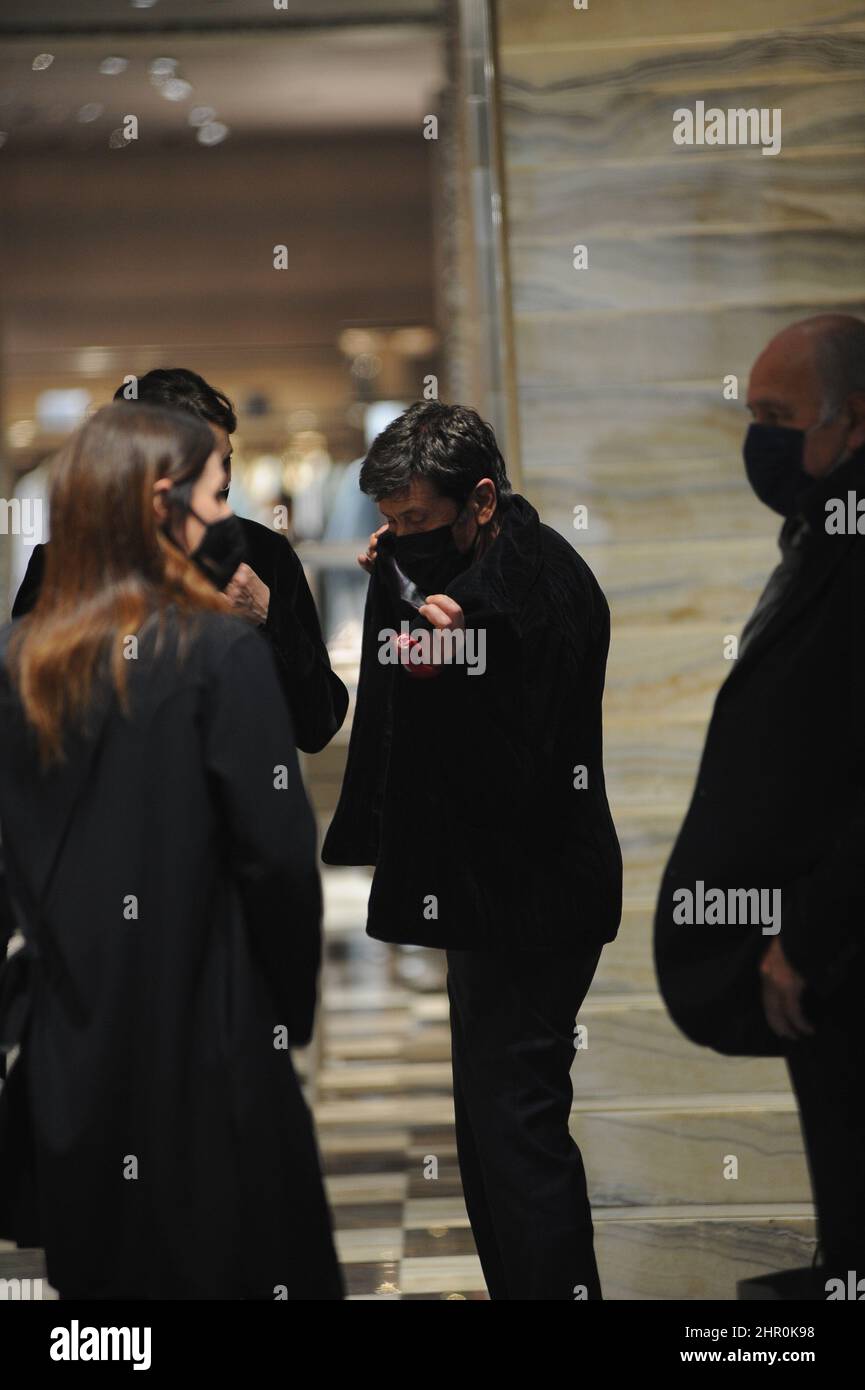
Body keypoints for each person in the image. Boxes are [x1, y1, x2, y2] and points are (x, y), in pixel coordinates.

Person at [0, 403, 343, 1300]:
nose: (228, 516)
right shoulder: (217, 653)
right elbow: (276, 858)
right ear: (163, 501)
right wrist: (288, 1017)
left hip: (69, 1043)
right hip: (211, 1028)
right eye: (219, 493)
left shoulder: (17, 662)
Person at [321, 401, 622, 1300]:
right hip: (495, 896)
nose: (400, 538)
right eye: (390, 522)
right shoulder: (477, 562)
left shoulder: (533, 593)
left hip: (535, 900)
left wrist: (456, 668)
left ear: (479, 499)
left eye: (416, 520)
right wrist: (405, 587)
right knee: (492, 1131)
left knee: (519, 1128)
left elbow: (524, 770)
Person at [654, 314, 865, 1291]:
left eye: (777, 416)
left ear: (851, 421)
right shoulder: (823, 529)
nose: (760, 441)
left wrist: (805, 936)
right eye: (751, 415)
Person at [11, 368, 348, 755]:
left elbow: (319, 723)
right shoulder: (68, 563)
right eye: (202, 467)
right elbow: (28, 724)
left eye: (227, 462)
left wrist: (269, 615)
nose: (221, 481)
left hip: (231, 805)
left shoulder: (262, 553)